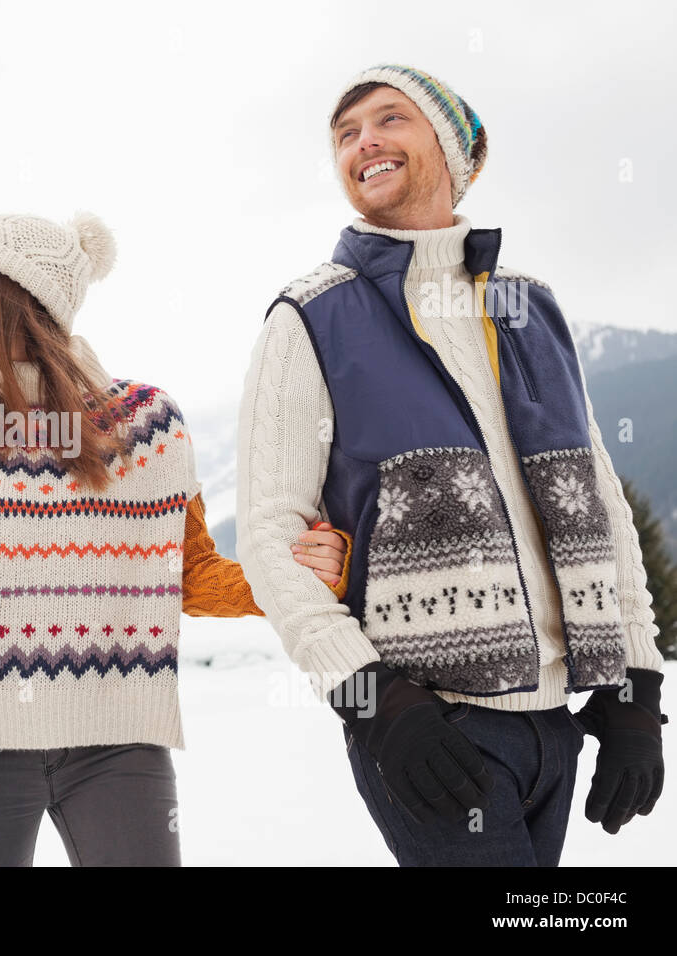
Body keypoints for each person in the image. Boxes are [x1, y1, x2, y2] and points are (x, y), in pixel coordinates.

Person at [236, 65, 666, 866]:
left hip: (558, 725)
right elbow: (267, 539)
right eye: (344, 133)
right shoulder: (314, 315)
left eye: (389, 119)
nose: (363, 140)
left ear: (454, 151)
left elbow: (598, 506)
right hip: (429, 725)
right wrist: (373, 703)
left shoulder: (530, 307)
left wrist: (637, 691)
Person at [0, 211, 352, 866]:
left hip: (117, 741)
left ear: (18, 284)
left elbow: (196, 576)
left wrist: (305, 577)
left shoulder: (146, 425)